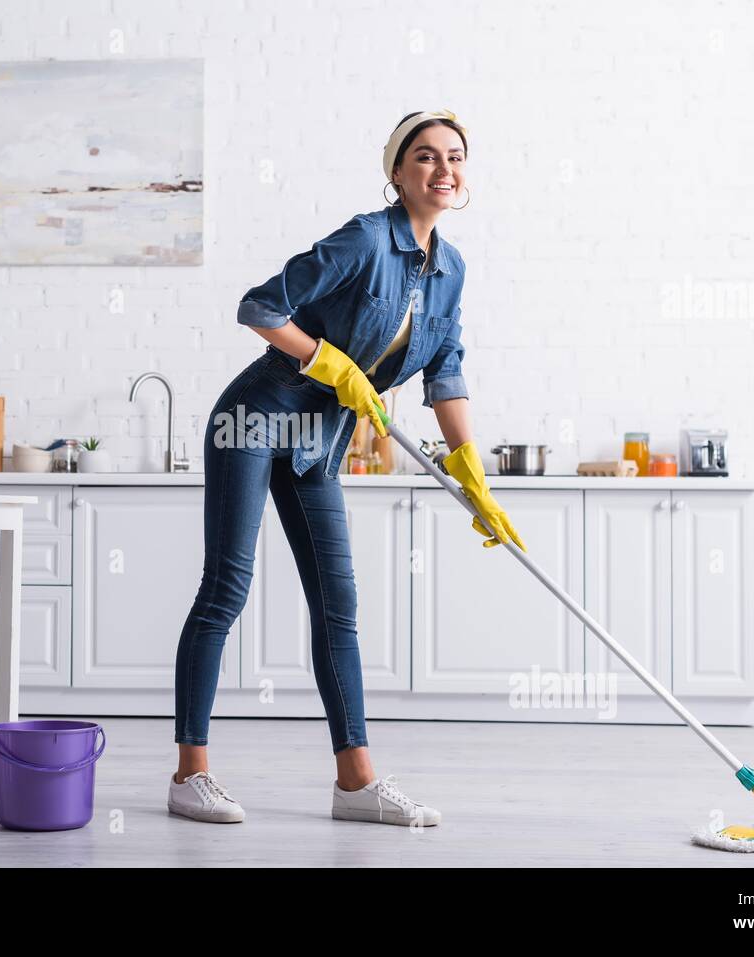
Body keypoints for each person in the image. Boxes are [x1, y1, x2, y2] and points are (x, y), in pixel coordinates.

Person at [168, 110, 526, 826]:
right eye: (425, 157)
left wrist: (473, 475)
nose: (443, 169)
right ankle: (189, 773)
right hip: (255, 418)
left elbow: (446, 374)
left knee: (339, 606)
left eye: (455, 157)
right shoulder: (365, 238)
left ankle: (355, 784)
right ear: (397, 172)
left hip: (316, 442)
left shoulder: (452, 271)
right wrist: (326, 359)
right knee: (226, 587)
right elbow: (259, 306)